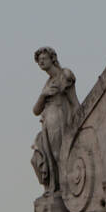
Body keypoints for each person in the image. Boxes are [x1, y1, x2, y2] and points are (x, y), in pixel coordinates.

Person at [31, 47, 80, 193]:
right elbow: (35, 110)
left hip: (59, 117)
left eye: (44, 58)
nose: (41, 61)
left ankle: (66, 188)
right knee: (44, 157)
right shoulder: (48, 82)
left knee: (59, 154)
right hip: (47, 121)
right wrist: (43, 95)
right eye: (39, 60)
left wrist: (78, 123)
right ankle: (55, 188)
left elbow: (74, 102)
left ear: (52, 59)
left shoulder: (64, 75)